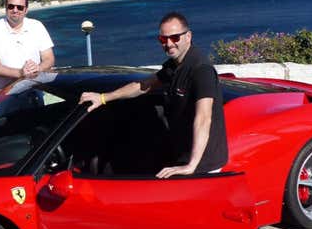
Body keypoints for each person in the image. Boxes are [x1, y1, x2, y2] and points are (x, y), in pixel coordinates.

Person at [79, 11, 227, 178]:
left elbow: (204, 117)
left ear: (188, 36)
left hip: (202, 165)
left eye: (175, 38)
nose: (169, 44)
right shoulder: (175, 65)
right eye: (163, 39)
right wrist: (103, 98)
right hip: (182, 157)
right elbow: (143, 86)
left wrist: (191, 165)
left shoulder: (201, 69)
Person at [0, 0, 55, 113]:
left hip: (34, 92)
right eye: (11, 6)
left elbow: (49, 58)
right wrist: (20, 73)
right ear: (6, 8)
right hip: (6, 96)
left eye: (20, 7)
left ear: (26, 10)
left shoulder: (37, 26)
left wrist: (38, 68)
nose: (15, 10)